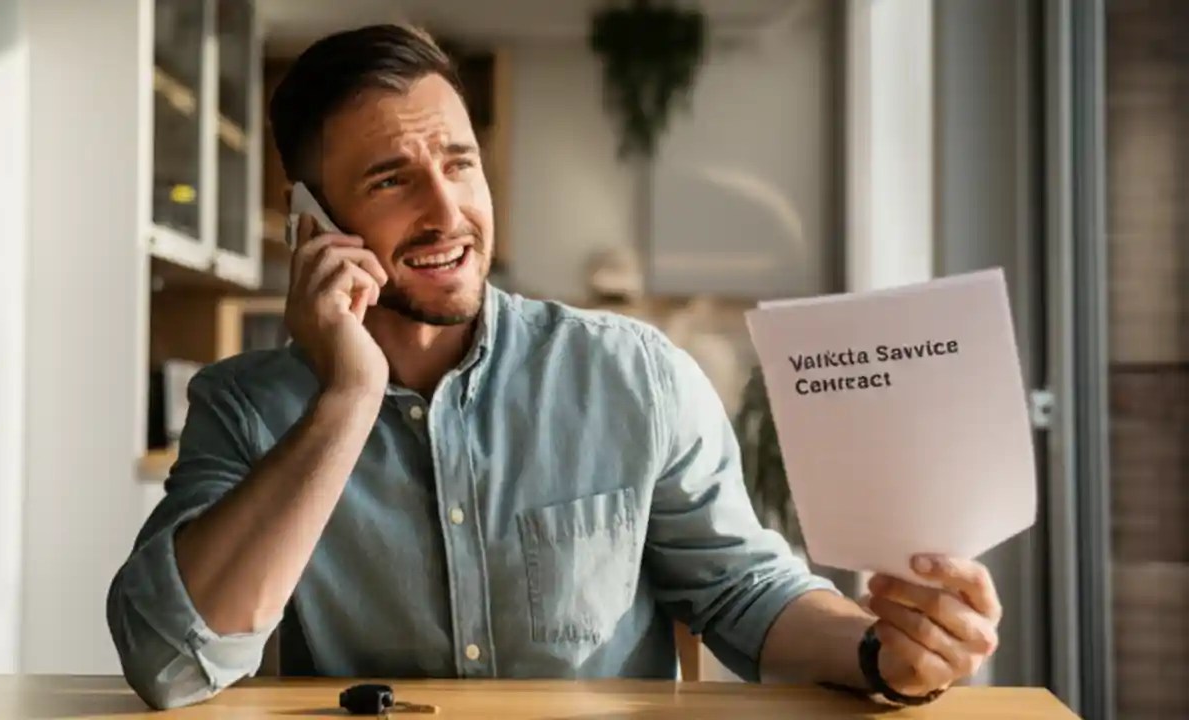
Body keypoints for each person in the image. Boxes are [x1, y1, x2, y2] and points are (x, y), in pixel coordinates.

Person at [106, 24, 1002, 711]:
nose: (446, 209)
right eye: (390, 180)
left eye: (460, 163)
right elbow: (170, 663)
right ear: (312, 222)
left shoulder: (635, 376)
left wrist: (886, 654)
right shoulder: (245, 409)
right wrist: (349, 396)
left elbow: (744, 591)